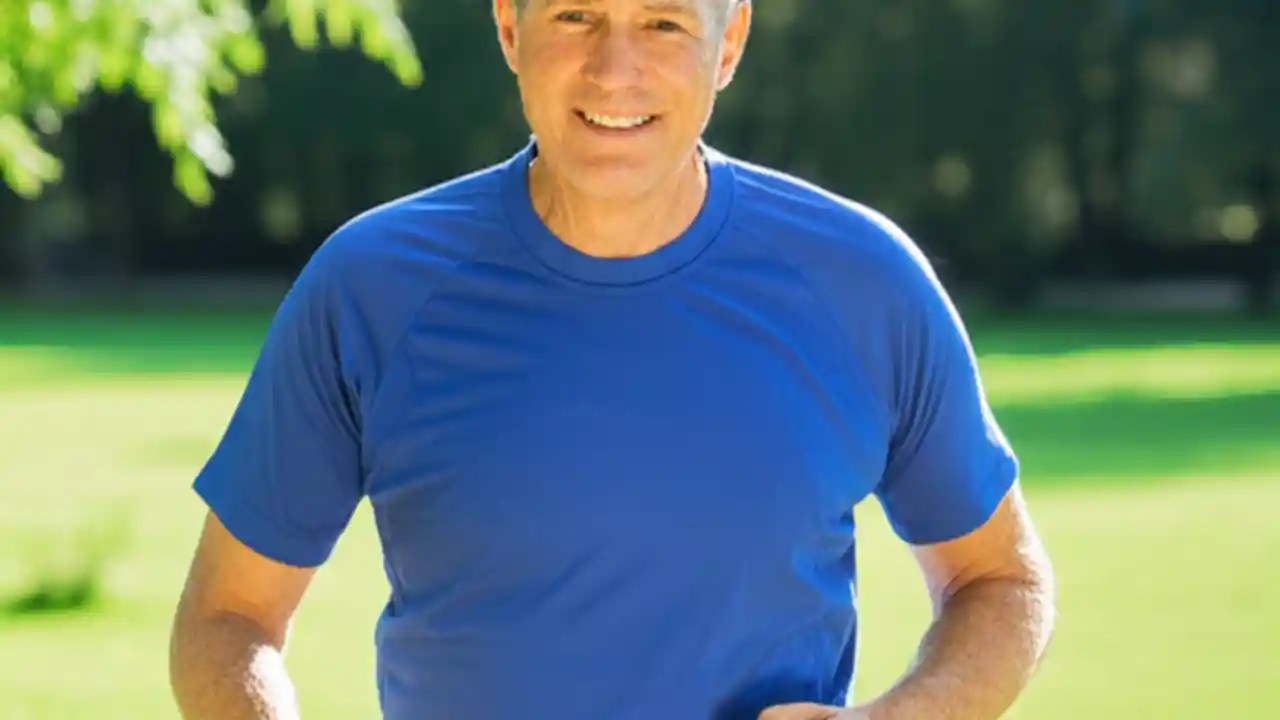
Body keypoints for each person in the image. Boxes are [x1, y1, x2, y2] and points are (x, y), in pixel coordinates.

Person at [169, 1, 1057, 718]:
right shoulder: (372, 287)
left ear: (729, 41)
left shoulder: (862, 281)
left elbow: (998, 578)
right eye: (575, 16)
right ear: (509, 26)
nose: (614, 69)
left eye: (664, 22)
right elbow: (228, 615)